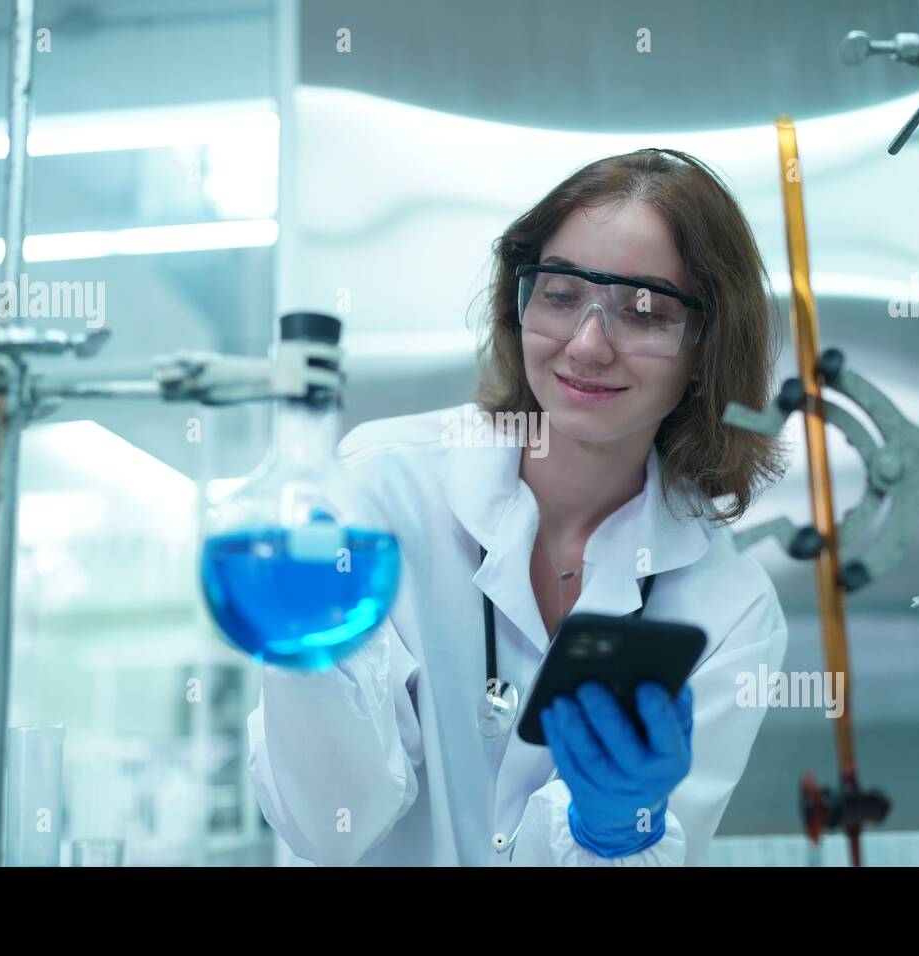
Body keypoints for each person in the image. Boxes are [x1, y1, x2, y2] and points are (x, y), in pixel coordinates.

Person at [246, 147, 789, 866]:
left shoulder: (729, 609)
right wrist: (301, 656)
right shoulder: (378, 492)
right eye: (561, 296)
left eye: (645, 309)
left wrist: (616, 833)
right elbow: (329, 828)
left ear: (706, 347)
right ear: (520, 302)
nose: (588, 345)